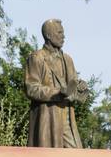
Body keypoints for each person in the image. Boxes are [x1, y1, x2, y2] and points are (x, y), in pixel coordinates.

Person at [25, 19, 87, 148]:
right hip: (48, 118)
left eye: (63, 33)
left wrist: (80, 89)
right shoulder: (37, 58)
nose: (63, 36)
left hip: (68, 118)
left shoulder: (67, 59)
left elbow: (73, 87)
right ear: (48, 35)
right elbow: (31, 88)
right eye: (59, 33)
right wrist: (57, 92)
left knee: (77, 156)